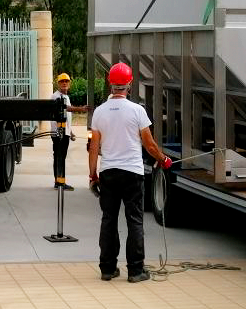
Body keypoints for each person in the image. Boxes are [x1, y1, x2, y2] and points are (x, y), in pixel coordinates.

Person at [88, 62, 172, 283]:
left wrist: (93, 174)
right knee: (134, 220)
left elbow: (94, 147)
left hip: (108, 173)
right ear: (130, 83)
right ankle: (136, 271)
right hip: (132, 174)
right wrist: (163, 160)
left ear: (110, 83)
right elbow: (150, 145)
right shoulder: (137, 111)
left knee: (108, 220)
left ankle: (107, 269)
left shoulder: (99, 112)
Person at [50, 72, 87, 192]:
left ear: (69, 84)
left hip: (63, 132)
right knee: (60, 157)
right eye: (62, 81)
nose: (64, 83)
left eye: (66, 81)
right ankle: (60, 182)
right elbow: (65, 108)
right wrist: (81, 109)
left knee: (60, 157)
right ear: (58, 84)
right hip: (58, 133)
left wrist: (70, 132)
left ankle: (58, 181)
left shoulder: (66, 97)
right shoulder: (56, 96)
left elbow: (65, 116)